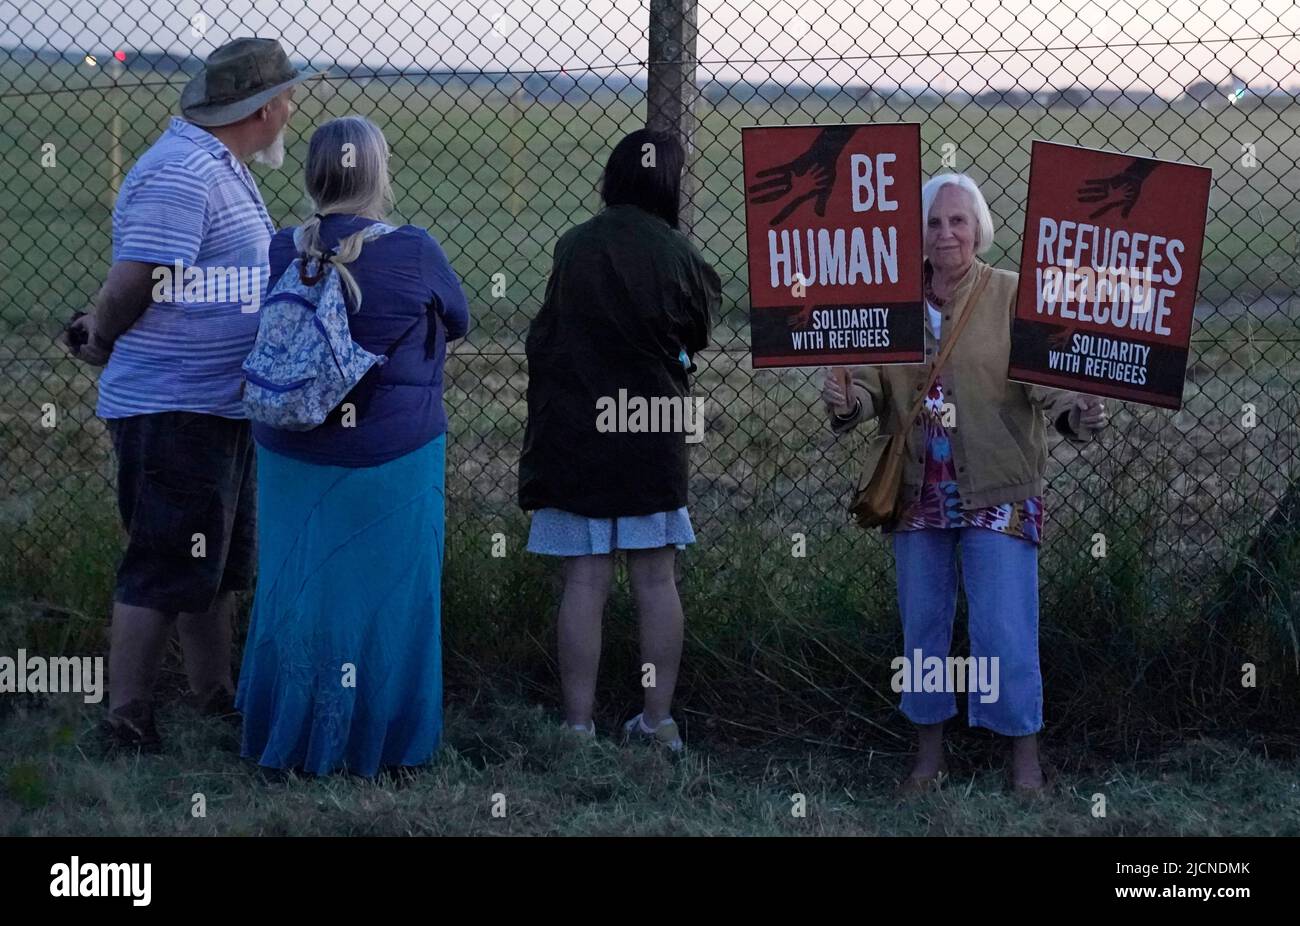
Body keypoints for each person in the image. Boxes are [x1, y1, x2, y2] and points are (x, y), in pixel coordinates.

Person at [62, 37, 311, 750]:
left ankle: (213, 698)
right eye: (286, 99)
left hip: (215, 405)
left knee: (216, 564)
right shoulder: (183, 173)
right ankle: (126, 718)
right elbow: (139, 276)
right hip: (174, 406)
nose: (291, 110)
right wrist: (101, 335)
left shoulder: (218, 167)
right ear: (260, 110)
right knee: (164, 559)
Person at [822, 173, 1108, 793]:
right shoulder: (889, 301)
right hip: (917, 495)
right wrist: (847, 397)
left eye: (958, 220)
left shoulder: (1011, 294)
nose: (946, 233)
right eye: (933, 222)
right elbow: (870, 394)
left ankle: (1024, 760)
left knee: (1005, 628)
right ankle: (928, 758)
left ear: (978, 227)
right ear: (917, 235)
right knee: (922, 630)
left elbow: (1047, 381)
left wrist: (1077, 411)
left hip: (999, 492)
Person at [236, 116, 469, 776]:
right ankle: (383, 738)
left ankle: (292, 729)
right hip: (390, 459)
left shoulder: (285, 249)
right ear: (377, 174)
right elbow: (459, 319)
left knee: (297, 592)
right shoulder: (414, 250)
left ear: (314, 175)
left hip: (290, 455)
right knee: (391, 597)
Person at [518, 128, 721, 752]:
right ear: (669, 183)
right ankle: (657, 721)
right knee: (657, 580)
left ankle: (577, 726)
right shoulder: (681, 255)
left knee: (585, 582)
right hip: (653, 427)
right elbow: (696, 338)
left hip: (580, 429)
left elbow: (546, 337)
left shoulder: (574, 246)